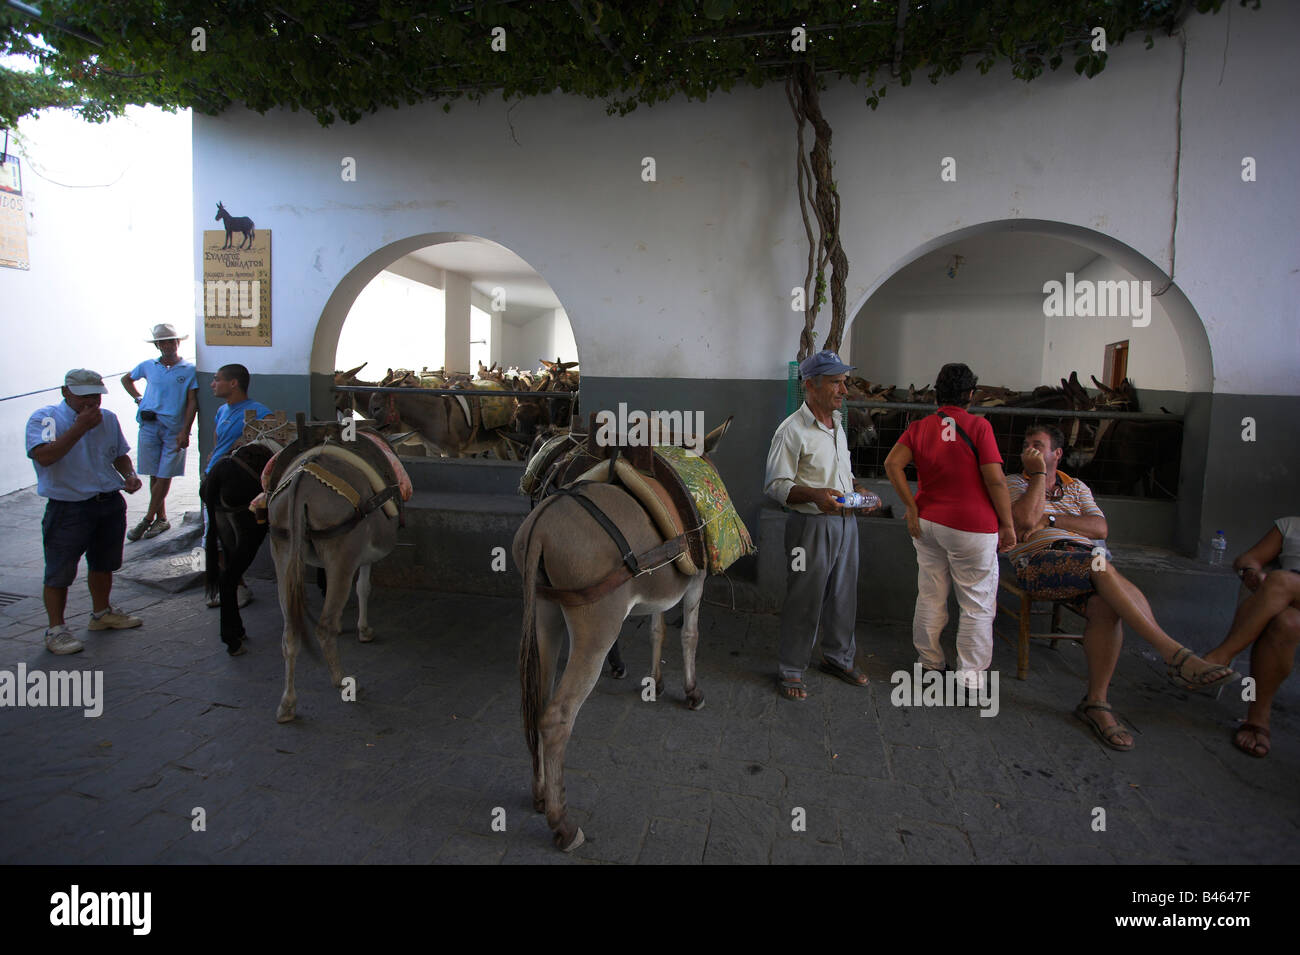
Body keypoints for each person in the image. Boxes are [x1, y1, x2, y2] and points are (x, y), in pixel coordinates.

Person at [1007, 424, 1236, 751]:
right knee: (1101, 565)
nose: (1029, 450)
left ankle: (1096, 704)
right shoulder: (1012, 482)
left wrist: (1053, 520)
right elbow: (1025, 522)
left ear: (1057, 453)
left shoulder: (1078, 488)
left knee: (1106, 605)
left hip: (1085, 560)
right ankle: (1174, 655)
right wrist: (1038, 477)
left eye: (1038, 445)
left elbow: (1099, 527)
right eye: (1026, 445)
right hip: (1038, 562)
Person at [884, 363, 1016, 691]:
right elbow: (996, 481)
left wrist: (911, 508)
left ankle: (930, 666)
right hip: (973, 528)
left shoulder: (919, 427)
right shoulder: (980, 427)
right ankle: (969, 681)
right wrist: (1008, 525)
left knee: (931, 594)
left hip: (927, 524)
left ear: (936, 394)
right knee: (976, 603)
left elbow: (892, 464)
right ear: (971, 394)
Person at [764, 350, 879, 701]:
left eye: (845, 382)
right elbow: (775, 485)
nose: (844, 390)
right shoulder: (792, 431)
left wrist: (858, 490)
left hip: (846, 524)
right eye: (836, 382)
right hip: (810, 528)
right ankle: (791, 669)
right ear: (810, 386)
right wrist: (815, 495)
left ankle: (838, 657)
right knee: (806, 597)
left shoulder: (837, 425)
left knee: (843, 595)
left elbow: (842, 473)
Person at [25, 369, 145, 655]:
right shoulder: (46, 419)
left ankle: (101, 613)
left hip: (108, 500)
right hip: (68, 505)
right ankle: (56, 628)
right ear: (66, 392)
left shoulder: (110, 419)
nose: (92, 403)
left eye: (96, 396)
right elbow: (45, 455)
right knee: (60, 569)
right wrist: (79, 427)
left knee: (104, 563)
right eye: (84, 397)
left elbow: (119, 454)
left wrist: (129, 475)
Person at [1195, 517, 1300, 757]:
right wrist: (1252, 572)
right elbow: (1247, 559)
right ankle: (1258, 721)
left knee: (1280, 580)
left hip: (1287, 585)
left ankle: (1217, 657)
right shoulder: (1290, 525)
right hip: (1291, 603)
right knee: (1286, 624)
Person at [202, 364, 273, 609]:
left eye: (216, 379)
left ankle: (236, 586)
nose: (212, 384)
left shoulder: (260, 412)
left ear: (233, 383)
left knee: (236, 537)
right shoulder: (222, 410)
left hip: (236, 485)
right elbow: (217, 441)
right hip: (213, 479)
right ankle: (236, 585)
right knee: (215, 536)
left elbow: (266, 444)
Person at [120, 324, 198, 541]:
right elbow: (126, 379)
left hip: (174, 428)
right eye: (162, 342)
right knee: (155, 473)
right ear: (157, 345)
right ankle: (161, 518)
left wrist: (186, 430)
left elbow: (193, 402)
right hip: (149, 425)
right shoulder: (148, 366)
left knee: (165, 474)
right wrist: (138, 398)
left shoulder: (189, 370)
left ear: (177, 343)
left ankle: (146, 519)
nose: (166, 346)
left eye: (170, 341)